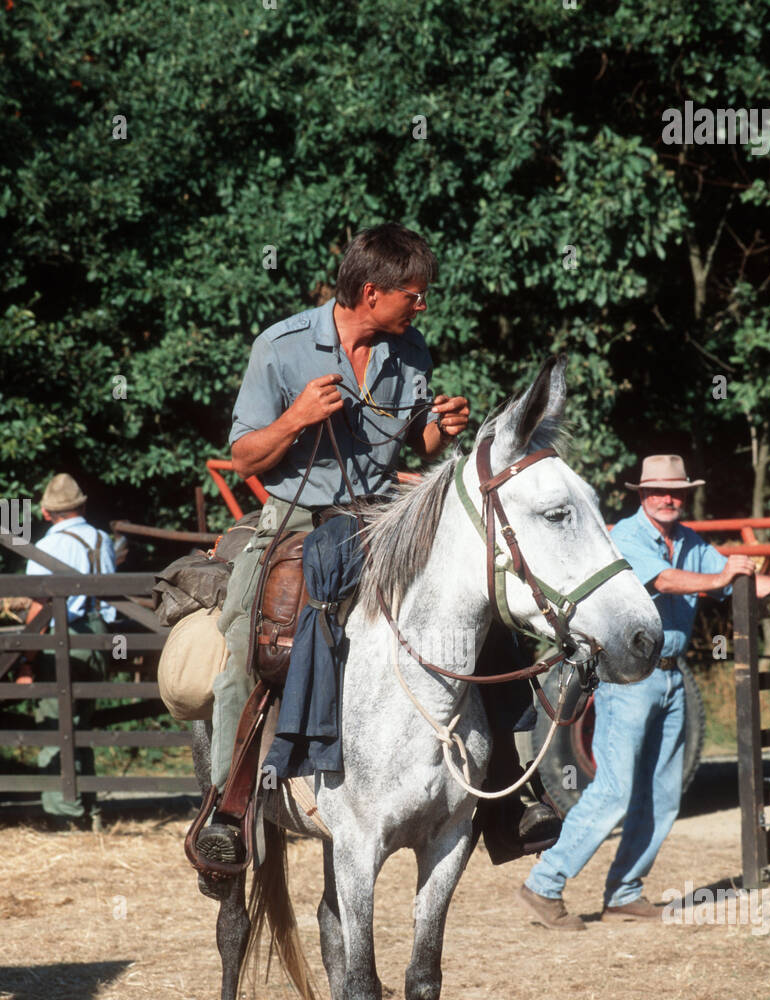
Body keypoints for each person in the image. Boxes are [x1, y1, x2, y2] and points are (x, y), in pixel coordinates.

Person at [195, 224, 559, 877]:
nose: (423, 307)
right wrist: (296, 419)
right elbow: (246, 452)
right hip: (296, 518)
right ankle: (231, 809)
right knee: (246, 645)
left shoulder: (409, 350)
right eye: (414, 296)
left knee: (483, 614)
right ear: (371, 292)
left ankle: (510, 797)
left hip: (382, 518)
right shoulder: (279, 349)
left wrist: (436, 429)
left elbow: (405, 447)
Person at [516, 453, 770, 930]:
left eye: (677, 492)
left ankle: (625, 893)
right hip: (628, 677)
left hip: (672, 676)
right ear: (642, 495)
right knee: (615, 790)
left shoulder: (690, 541)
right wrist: (720, 579)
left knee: (664, 794)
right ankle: (544, 885)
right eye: (659, 492)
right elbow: (664, 580)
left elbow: (744, 583)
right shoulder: (625, 537)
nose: (669, 499)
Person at [15, 473, 117, 828]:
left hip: (64, 640)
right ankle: (89, 809)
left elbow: (39, 604)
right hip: (99, 639)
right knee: (81, 725)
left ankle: (65, 815)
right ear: (82, 505)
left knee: (56, 726)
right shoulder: (103, 539)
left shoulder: (46, 546)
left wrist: (26, 660)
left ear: (46, 512)